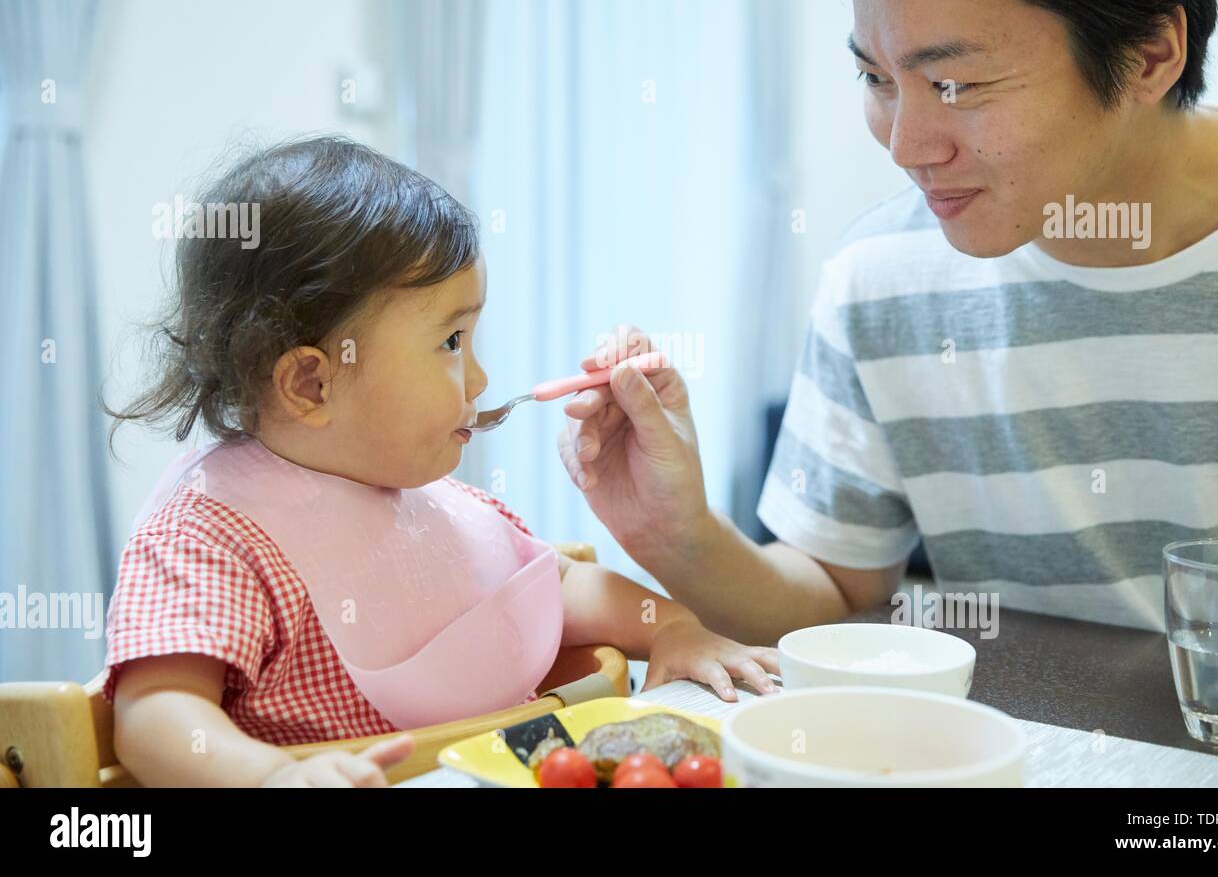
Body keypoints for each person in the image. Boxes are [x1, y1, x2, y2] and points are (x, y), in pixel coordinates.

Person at [557, 0, 1218, 645]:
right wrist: (675, 533)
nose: (905, 147)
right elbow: (836, 600)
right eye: (877, 77)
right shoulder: (880, 277)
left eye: (956, 83)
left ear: (1149, 53)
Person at [103, 137, 778, 787]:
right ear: (312, 383)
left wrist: (676, 630)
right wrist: (275, 775)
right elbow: (155, 714)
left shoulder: (439, 503)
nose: (480, 378)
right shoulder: (211, 538)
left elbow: (562, 587)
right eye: (451, 341)